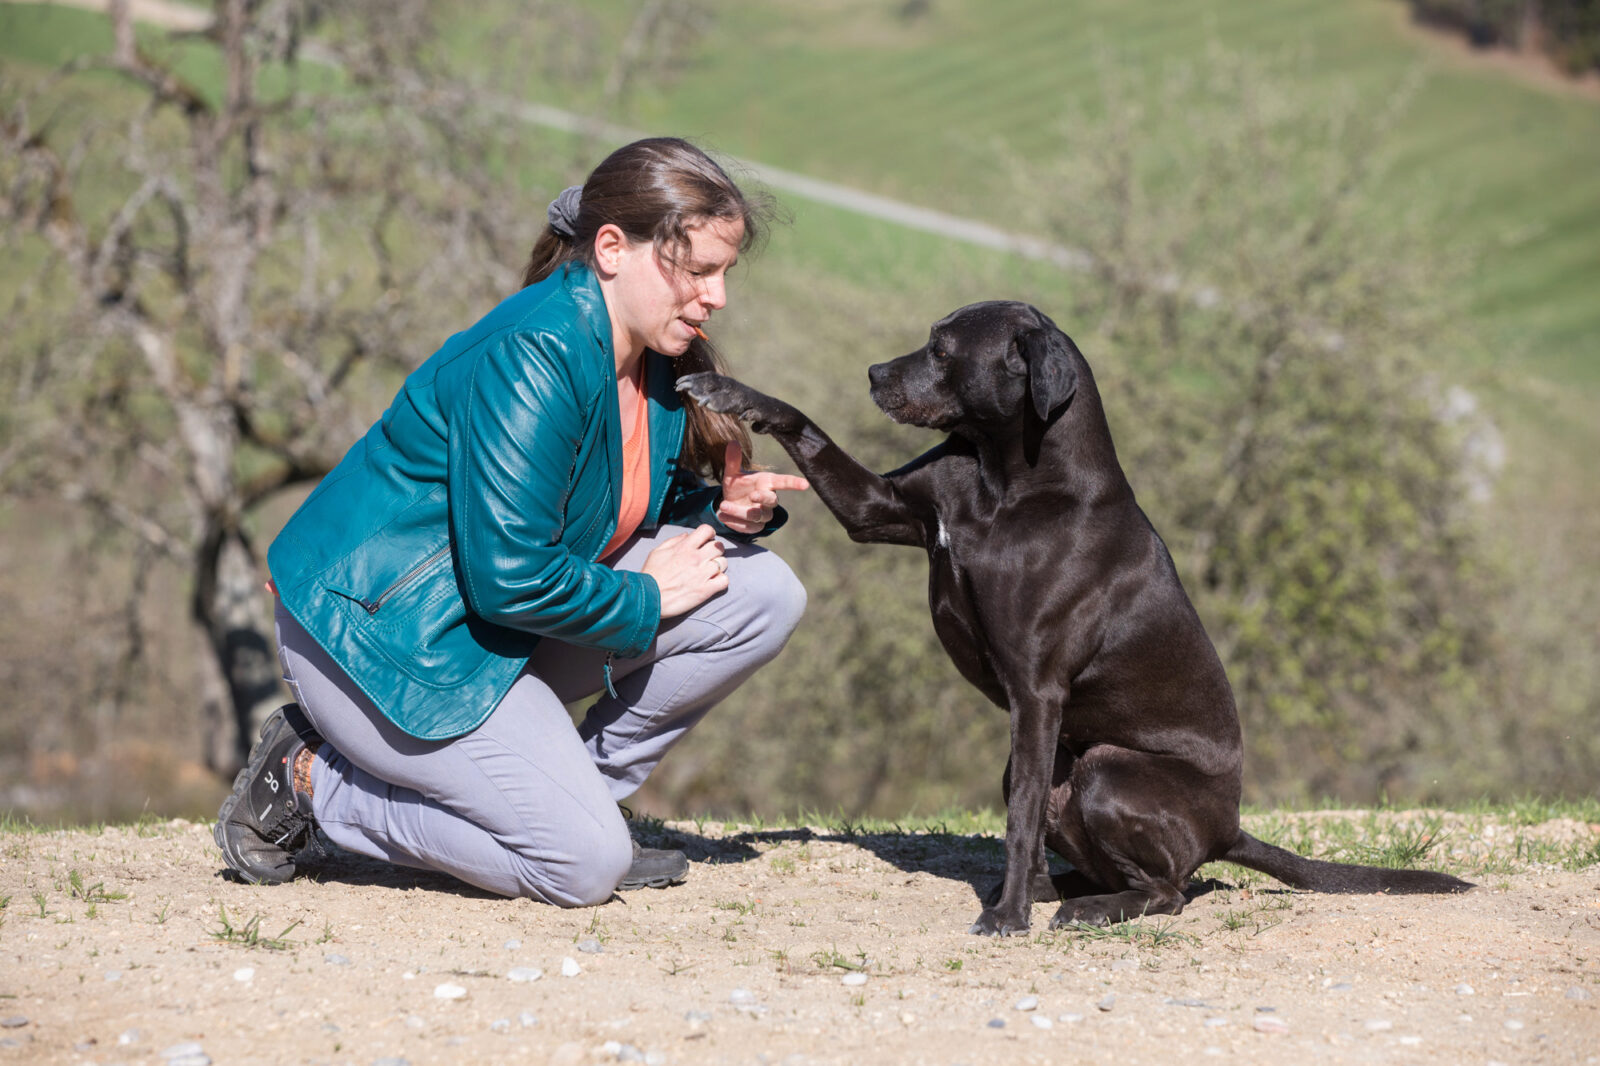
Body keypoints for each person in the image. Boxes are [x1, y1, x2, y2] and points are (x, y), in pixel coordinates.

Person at [214, 137, 810, 906]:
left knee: (762, 593)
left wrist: (717, 511)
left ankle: (578, 805)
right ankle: (310, 780)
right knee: (581, 869)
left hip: (494, 631)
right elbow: (510, 576)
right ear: (611, 250)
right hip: (386, 641)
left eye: (723, 272)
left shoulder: (654, 361)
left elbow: (605, 506)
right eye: (697, 270)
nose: (717, 295)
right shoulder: (535, 354)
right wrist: (646, 597)